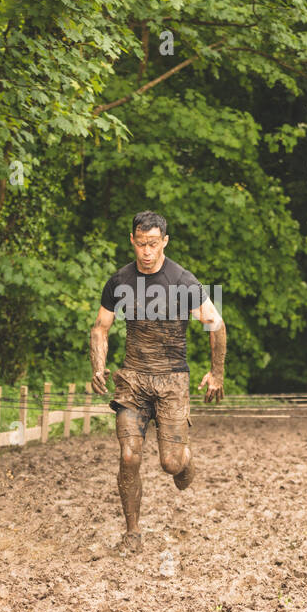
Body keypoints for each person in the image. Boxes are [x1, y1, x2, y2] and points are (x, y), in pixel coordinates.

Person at [89, 211, 226, 554]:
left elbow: (216, 324)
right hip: (133, 379)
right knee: (129, 456)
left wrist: (217, 372)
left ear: (164, 241)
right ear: (132, 241)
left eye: (153, 244)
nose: (146, 251)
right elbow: (100, 328)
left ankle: (184, 458)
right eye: (140, 244)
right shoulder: (119, 281)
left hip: (171, 381)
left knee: (171, 464)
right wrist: (98, 365)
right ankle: (132, 533)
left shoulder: (182, 281)